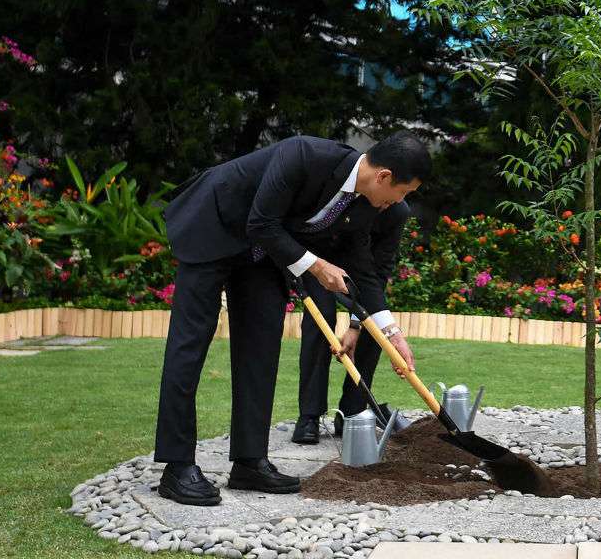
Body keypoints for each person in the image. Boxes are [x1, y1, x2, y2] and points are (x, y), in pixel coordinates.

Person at [155, 131, 429, 506]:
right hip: (215, 225)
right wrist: (317, 267)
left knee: (261, 349)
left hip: (263, 254)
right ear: (384, 176)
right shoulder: (304, 154)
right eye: (404, 192)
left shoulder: (365, 204)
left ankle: (249, 462)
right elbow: (261, 222)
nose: (400, 202)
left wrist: (390, 333)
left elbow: (363, 273)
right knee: (189, 348)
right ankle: (177, 467)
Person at [291, 199, 413, 444]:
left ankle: (352, 412)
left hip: (363, 273)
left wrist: (357, 325)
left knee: (375, 327)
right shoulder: (351, 195)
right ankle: (309, 416)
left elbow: (379, 270)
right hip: (321, 263)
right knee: (320, 318)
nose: (394, 200)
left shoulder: (397, 212)